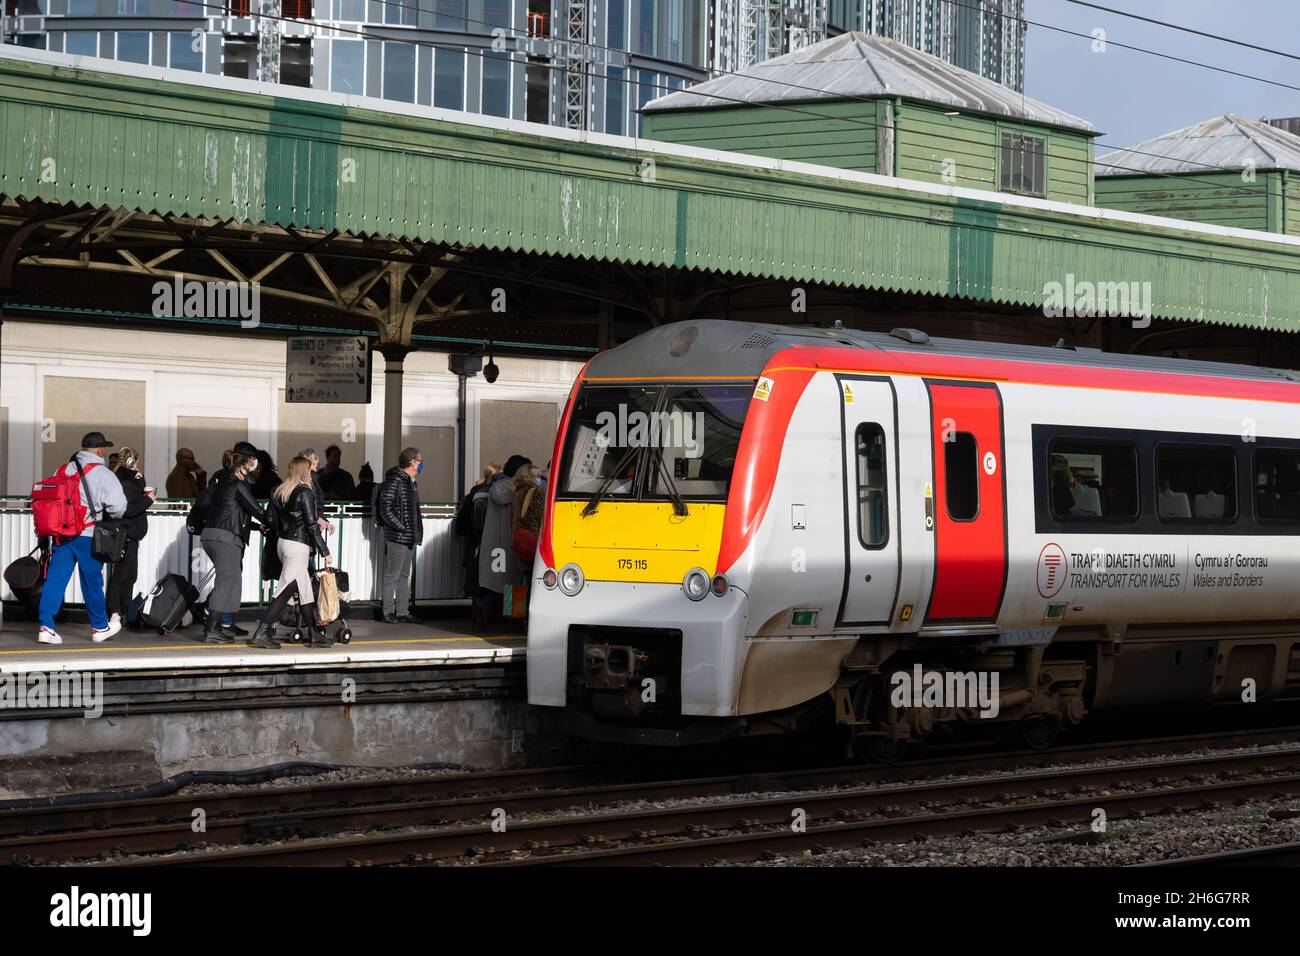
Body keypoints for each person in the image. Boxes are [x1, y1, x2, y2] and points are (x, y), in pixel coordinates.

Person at [36, 432, 128, 645]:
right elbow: (118, 508)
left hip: (62, 536)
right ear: (100, 450)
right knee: (92, 582)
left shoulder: (62, 469)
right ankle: (99, 627)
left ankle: (46, 627)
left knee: (55, 581)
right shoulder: (103, 473)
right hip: (87, 535)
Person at [249, 457, 333, 649]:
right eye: (310, 471)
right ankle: (262, 632)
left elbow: (269, 518)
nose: (312, 474)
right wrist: (324, 551)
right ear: (305, 472)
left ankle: (313, 633)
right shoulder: (306, 493)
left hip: (283, 543)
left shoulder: (279, 491)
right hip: (298, 546)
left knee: (304, 590)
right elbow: (312, 526)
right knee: (285, 589)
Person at [198, 451, 269, 644]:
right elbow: (256, 509)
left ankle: (219, 624)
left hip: (212, 535)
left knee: (232, 580)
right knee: (226, 581)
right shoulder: (238, 485)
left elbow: (231, 512)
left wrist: (257, 526)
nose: (251, 472)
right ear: (240, 468)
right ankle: (211, 628)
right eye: (249, 468)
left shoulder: (222, 483)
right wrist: (273, 521)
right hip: (225, 538)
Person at [105, 447, 155, 629]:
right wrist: (148, 499)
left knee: (130, 575)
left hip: (132, 532)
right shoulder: (124, 479)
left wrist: (140, 480)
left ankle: (125, 610)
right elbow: (129, 509)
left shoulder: (130, 477)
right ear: (131, 461)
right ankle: (115, 612)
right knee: (121, 574)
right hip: (125, 531)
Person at [478, 455, 530, 628]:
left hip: (495, 543)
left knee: (496, 582)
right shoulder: (520, 489)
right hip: (515, 542)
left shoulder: (496, 487)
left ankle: (486, 611)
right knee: (516, 582)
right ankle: (513, 619)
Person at [376, 447, 424, 624]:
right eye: (419, 461)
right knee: (393, 575)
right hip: (398, 537)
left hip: (408, 536)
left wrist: (415, 531)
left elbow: (415, 511)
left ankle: (403, 611)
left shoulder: (410, 482)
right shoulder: (395, 481)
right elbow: (385, 508)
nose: (420, 465)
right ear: (412, 461)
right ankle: (388, 612)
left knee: (404, 575)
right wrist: (402, 527)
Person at [455, 463, 500, 603]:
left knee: (478, 577)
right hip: (497, 542)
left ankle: (480, 609)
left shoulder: (476, 490)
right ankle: (509, 616)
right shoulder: (497, 492)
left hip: (476, 540)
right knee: (505, 579)